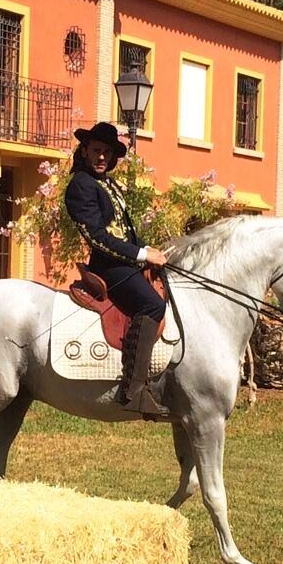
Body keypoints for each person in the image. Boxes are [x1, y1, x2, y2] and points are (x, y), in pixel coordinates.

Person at [63, 121, 169, 417]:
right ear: (85, 150)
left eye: (107, 153)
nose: (101, 157)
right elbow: (97, 237)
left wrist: (151, 250)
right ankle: (134, 391)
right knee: (152, 305)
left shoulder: (108, 183)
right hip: (109, 266)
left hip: (125, 260)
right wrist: (141, 254)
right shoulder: (81, 185)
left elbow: (126, 233)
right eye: (97, 150)